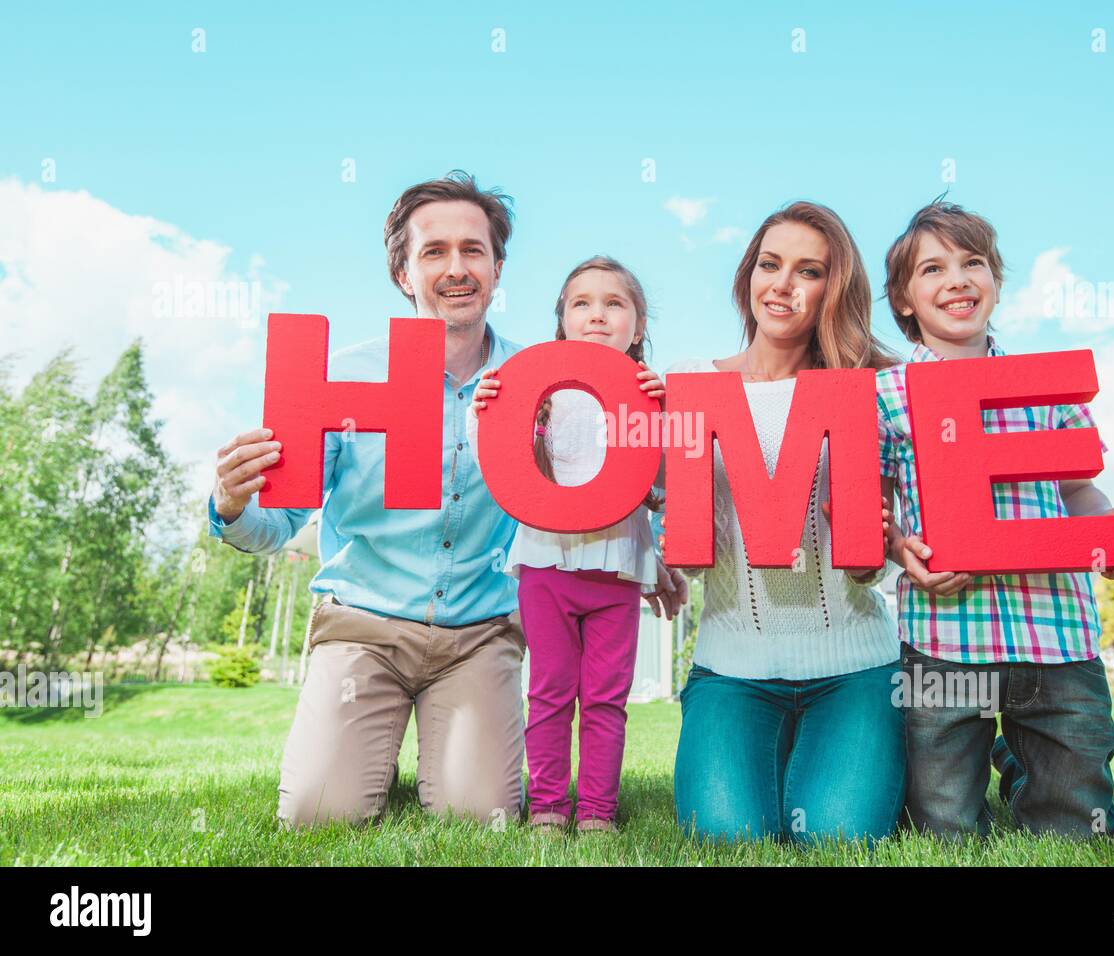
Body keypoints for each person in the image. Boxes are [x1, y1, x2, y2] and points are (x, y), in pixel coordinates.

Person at [208, 171, 687, 829]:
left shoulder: (547, 380)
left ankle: (443, 745)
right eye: (434, 251)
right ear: (403, 272)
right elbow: (281, 523)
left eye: (473, 250)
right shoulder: (346, 376)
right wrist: (231, 505)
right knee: (319, 815)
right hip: (363, 628)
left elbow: (591, 485)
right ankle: (363, 746)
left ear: (496, 269)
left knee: (479, 815)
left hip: (479, 637)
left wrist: (652, 557)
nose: (456, 268)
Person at [877, 199, 1114, 838]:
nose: (956, 279)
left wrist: (1113, 532)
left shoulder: (1046, 387)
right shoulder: (887, 396)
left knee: (1076, 822)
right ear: (902, 300)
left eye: (972, 263)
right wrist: (902, 550)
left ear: (997, 284)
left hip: (1055, 630)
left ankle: (1028, 765)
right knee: (944, 824)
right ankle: (999, 755)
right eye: (932, 269)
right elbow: (877, 509)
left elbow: (1080, 488)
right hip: (946, 636)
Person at [667, 201, 904, 845]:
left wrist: (881, 539)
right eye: (770, 265)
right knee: (726, 838)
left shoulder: (868, 389)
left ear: (834, 288)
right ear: (748, 276)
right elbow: (661, 514)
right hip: (731, 666)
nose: (783, 285)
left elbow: (880, 553)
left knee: (836, 838)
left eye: (809, 270)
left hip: (855, 664)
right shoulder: (689, 391)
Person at [468, 256, 665, 834]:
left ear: (638, 323)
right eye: (582, 303)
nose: (597, 315)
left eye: (614, 303)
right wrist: (493, 412)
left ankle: (599, 810)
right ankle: (550, 806)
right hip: (546, 565)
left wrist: (666, 416)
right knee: (550, 691)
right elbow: (510, 470)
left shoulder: (646, 393)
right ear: (562, 321)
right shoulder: (539, 395)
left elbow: (657, 491)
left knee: (606, 698)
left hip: (617, 569)